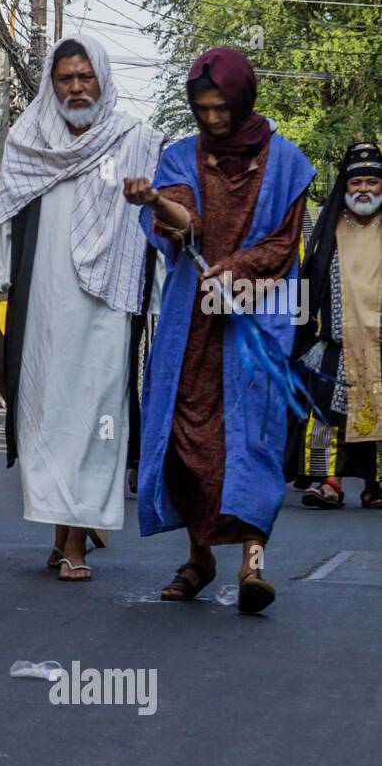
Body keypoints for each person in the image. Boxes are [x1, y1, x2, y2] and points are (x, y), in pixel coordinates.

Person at [123, 46, 315, 613]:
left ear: (242, 98)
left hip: (255, 317)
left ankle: (253, 562)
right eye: (201, 108)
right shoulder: (181, 156)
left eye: (219, 107)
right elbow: (188, 221)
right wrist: (157, 200)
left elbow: (283, 244)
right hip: (191, 325)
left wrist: (233, 271)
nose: (210, 118)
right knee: (187, 437)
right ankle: (200, 557)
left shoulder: (288, 164)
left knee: (251, 435)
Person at [0, 34, 165, 582]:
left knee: (97, 415)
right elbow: (3, 218)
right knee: (46, 413)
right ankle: (63, 532)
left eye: (86, 77)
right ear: (52, 84)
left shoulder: (136, 140)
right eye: (66, 79)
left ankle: (76, 544)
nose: (77, 87)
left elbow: (160, 226)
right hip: (43, 299)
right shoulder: (27, 139)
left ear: (103, 78)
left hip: (107, 301)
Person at [289, 141, 382, 509]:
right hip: (334, 344)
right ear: (345, 187)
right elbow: (305, 285)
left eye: (372, 183)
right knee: (325, 415)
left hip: (378, 344)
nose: (363, 189)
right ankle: (328, 482)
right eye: (356, 181)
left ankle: (376, 486)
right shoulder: (326, 232)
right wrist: (297, 336)